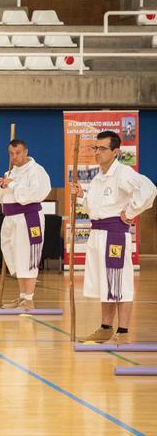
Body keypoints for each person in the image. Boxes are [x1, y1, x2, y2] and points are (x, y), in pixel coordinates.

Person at [71, 131, 156, 344]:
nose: (97, 152)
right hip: (98, 232)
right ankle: (105, 328)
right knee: (105, 282)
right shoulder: (99, 176)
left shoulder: (124, 173)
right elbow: (95, 207)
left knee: (120, 281)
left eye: (102, 149)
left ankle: (124, 331)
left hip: (114, 235)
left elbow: (149, 190)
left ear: (115, 152)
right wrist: (82, 195)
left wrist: (130, 213)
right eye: (95, 148)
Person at [0, 139, 51, 310]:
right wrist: (4, 185)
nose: (14, 157)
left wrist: (12, 184)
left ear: (26, 152)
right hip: (11, 218)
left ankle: (29, 299)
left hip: (28, 218)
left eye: (18, 153)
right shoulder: (10, 172)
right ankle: (22, 297)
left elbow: (30, 195)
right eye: (11, 154)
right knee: (16, 256)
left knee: (28, 257)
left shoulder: (36, 171)